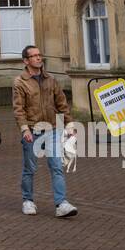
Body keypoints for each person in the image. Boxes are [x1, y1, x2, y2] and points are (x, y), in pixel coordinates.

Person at [13, 45, 79, 218]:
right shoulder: (20, 82)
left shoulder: (51, 80)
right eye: (33, 56)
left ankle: (61, 204)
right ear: (26, 61)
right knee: (30, 168)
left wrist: (69, 125)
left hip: (53, 129)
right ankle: (28, 200)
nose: (38, 58)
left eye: (39, 55)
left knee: (57, 166)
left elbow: (62, 104)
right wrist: (24, 129)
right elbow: (18, 109)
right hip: (32, 131)